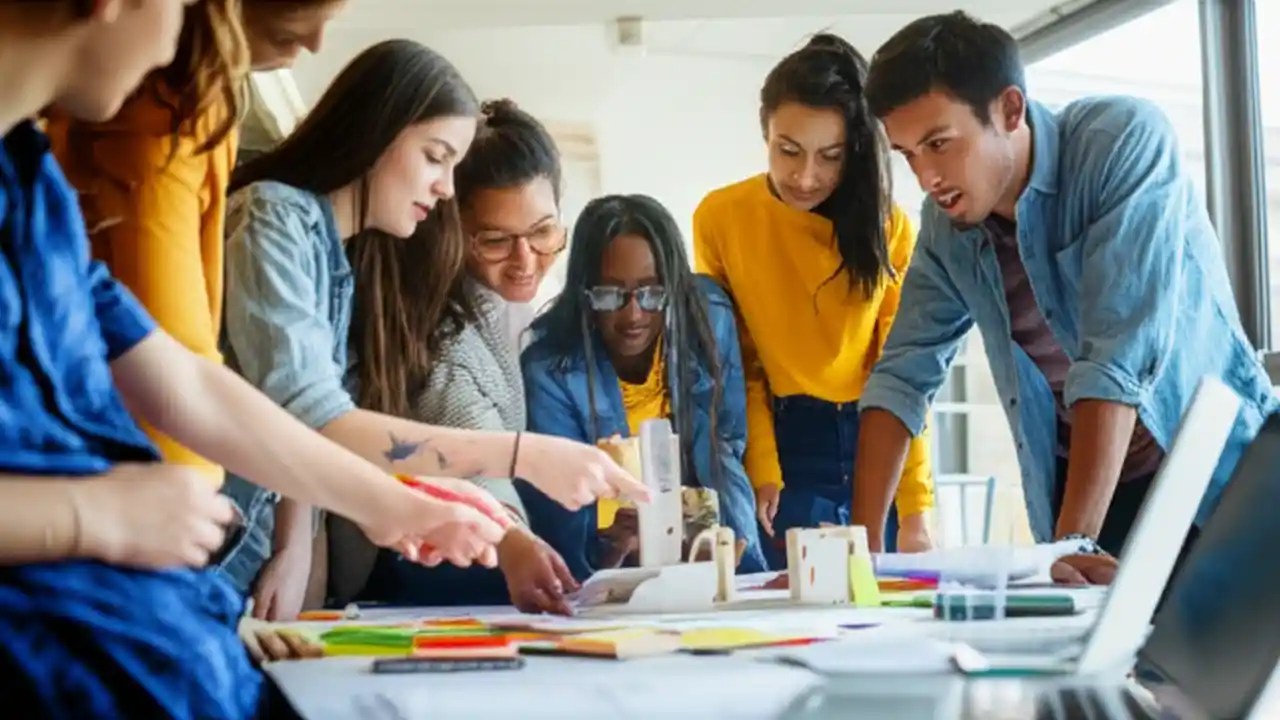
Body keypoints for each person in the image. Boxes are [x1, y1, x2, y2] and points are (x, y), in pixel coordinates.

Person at [0, 2, 514, 715]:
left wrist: (394, 507)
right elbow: (296, 401)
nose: (192, 32)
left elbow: (185, 383)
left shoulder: (32, 188)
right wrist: (91, 514)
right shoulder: (270, 211)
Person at [218, 40, 646, 620]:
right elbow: (316, 416)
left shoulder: (335, 256)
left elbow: (305, 427)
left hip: (252, 545)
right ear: (377, 133)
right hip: (218, 544)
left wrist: (299, 545)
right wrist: (524, 457)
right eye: (436, 156)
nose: (444, 188)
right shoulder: (273, 216)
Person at [855, 11, 1279, 583]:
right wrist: (855, 555)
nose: (926, 175)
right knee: (1114, 671)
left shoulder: (1121, 145)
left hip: (1218, 479)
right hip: (1102, 494)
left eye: (939, 143)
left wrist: (1070, 542)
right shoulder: (945, 228)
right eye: (907, 154)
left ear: (1010, 110)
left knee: (1236, 666)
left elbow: (1116, 357)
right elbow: (903, 376)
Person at [46, 0, 347, 486]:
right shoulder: (161, 119)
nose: (316, 43)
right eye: (435, 157)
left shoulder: (197, 109)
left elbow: (174, 363)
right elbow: (178, 370)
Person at [693, 33, 934, 568]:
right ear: (765, 134)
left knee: (880, 619)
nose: (806, 177)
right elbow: (740, 363)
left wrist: (916, 510)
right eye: (788, 151)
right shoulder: (721, 217)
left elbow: (905, 375)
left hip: (877, 440)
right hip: (785, 440)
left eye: (831, 156)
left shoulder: (889, 227)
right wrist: (762, 469)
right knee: (789, 613)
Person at [361, 98, 577, 613]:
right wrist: (510, 537)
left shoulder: (488, 303)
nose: (526, 260)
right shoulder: (444, 326)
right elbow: (460, 424)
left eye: (543, 231)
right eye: (496, 240)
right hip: (435, 567)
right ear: (448, 224)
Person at [523, 194, 768, 581]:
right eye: (609, 294)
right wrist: (608, 544)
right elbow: (560, 508)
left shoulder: (708, 319)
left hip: (717, 556)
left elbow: (727, 441)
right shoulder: (551, 368)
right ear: (584, 292)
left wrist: (708, 534)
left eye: (653, 293)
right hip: (608, 575)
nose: (633, 314)